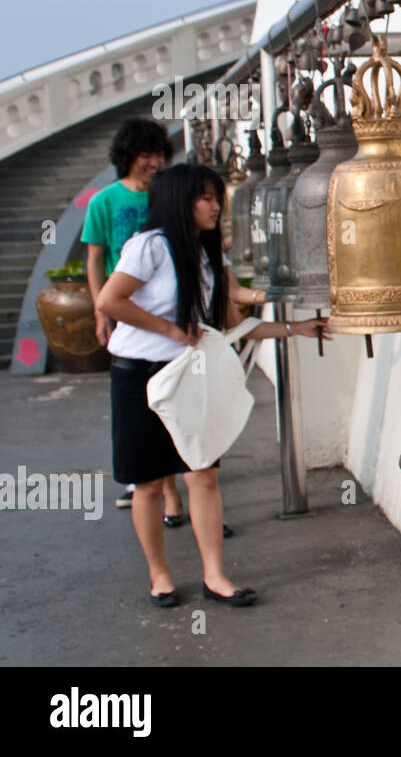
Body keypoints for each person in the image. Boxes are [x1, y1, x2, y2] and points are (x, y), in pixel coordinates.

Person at [96, 164, 329, 607]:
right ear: (179, 202)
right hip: (139, 376)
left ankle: (215, 576)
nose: (215, 205)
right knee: (148, 483)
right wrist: (168, 329)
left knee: (203, 475)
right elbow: (110, 300)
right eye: (204, 197)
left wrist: (297, 330)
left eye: (215, 196)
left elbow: (231, 325)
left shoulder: (208, 256)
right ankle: (160, 574)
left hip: (189, 377)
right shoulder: (149, 247)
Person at [82, 118, 180, 514]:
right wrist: (99, 310)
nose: (153, 162)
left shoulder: (168, 195)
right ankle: (144, 481)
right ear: (128, 157)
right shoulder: (104, 201)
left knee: (170, 398)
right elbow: (93, 258)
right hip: (124, 310)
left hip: (168, 311)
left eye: (158, 154)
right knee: (136, 404)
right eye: (145, 155)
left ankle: (169, 491)